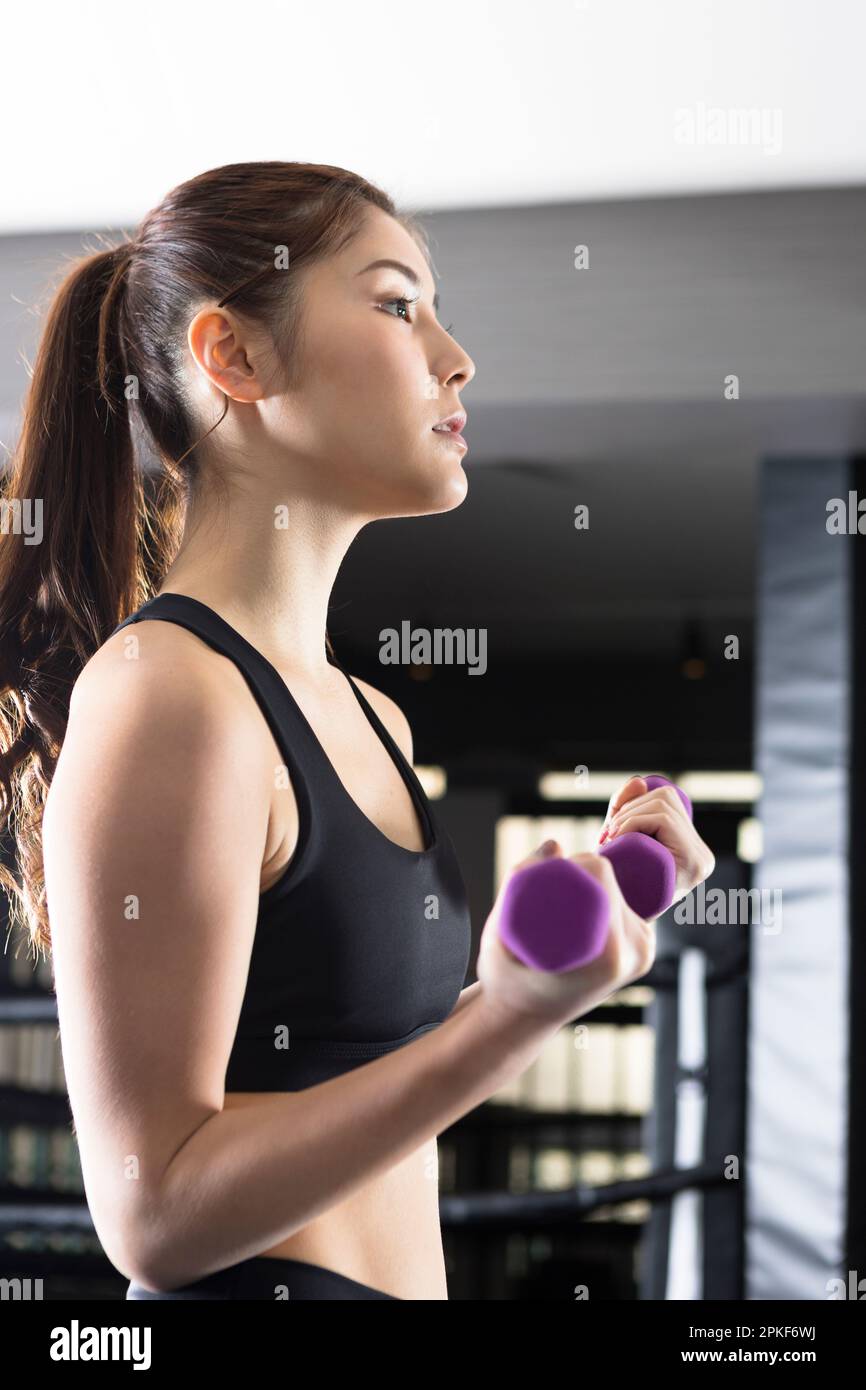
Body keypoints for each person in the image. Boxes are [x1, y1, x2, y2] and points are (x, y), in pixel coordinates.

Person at [0, 161, 715, 1300]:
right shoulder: (164, 690)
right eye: (395, 303)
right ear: (233, 355)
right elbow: (153, 1212)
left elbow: (376, 1072)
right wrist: (504, 1028)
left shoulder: (369, 712)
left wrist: (563, 949)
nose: (454, 353)